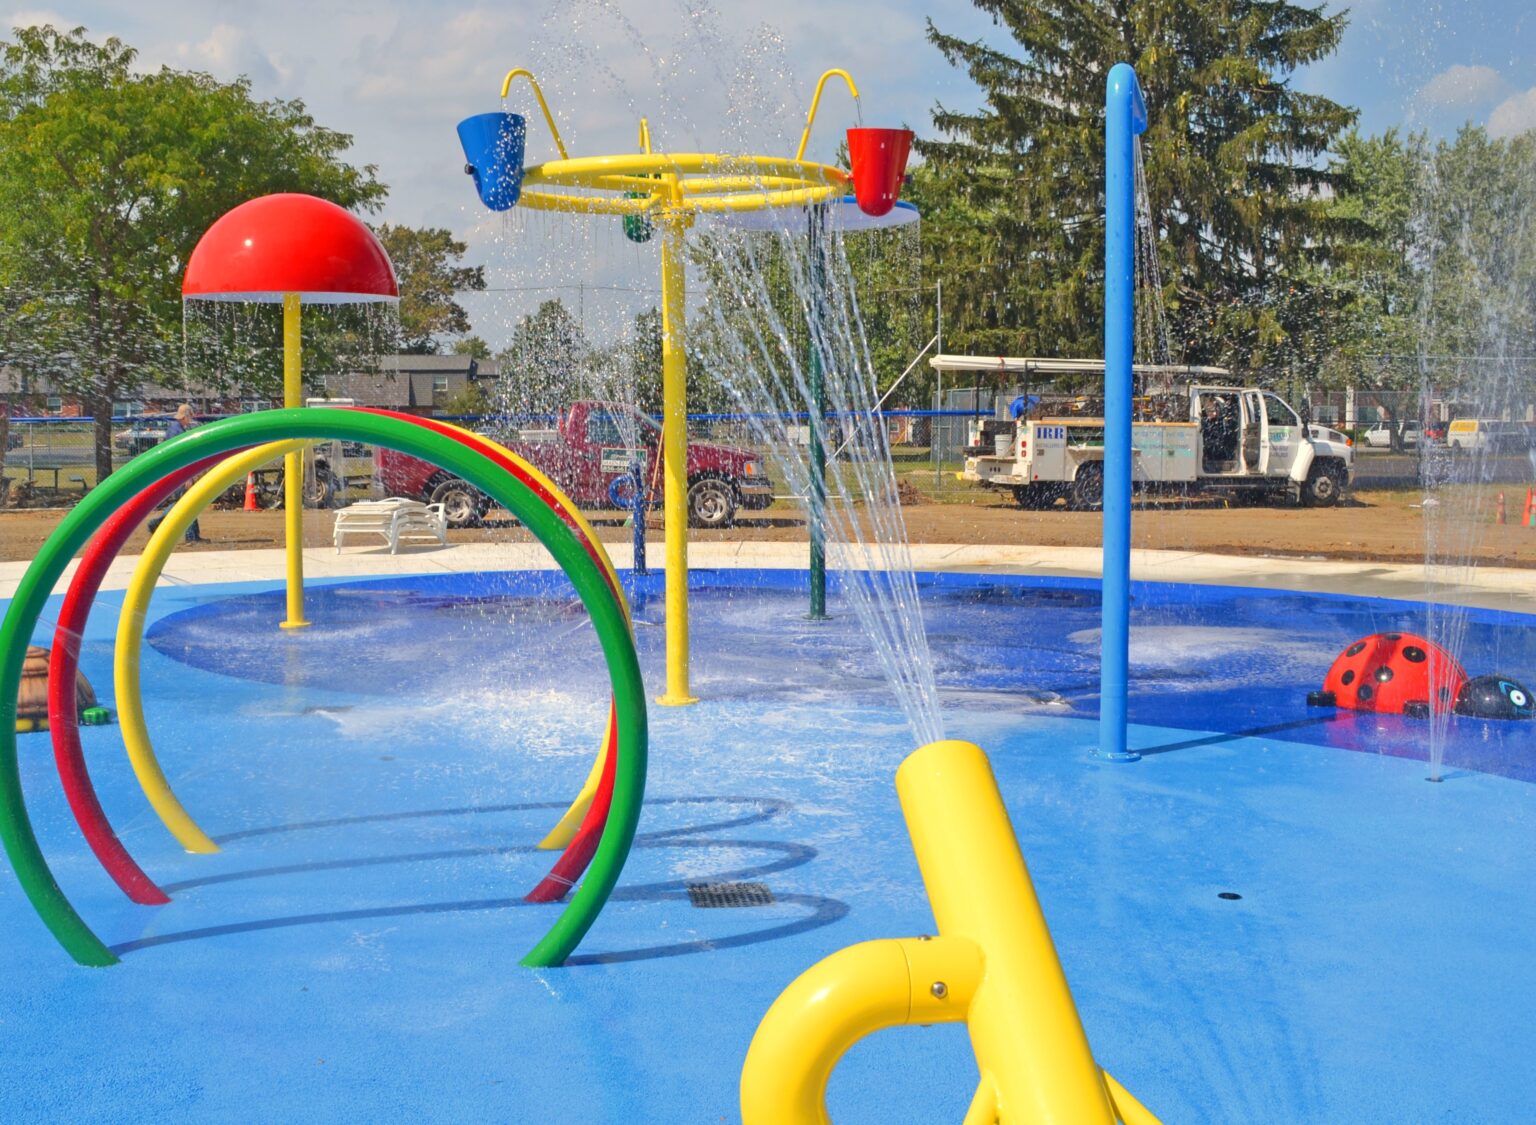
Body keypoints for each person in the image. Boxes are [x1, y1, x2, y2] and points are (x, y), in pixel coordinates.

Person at [145, 405, 204, 542]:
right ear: (185, 416)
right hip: (180, 474)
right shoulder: (177, 431)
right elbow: (180, 456)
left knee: (185, 502)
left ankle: (192, 535)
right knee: (187, 502)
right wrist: (187, 476)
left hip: (177, 473)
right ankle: (188, 535)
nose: (191, 419)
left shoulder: (175, 429)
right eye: (190, 416)